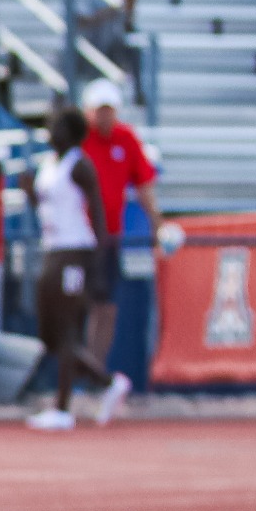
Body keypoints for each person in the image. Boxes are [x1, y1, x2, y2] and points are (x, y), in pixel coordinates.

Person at [23, 107, 125, 431]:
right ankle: (107, 382)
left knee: (67, 328)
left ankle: (62, 407)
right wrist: (29, 194)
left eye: (55, 126)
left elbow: (96, 212)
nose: (49, 131)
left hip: (75, 250)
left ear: (71, 132)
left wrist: (96, 263)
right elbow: (49, 206)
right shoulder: (48, 165)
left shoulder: (79, 164)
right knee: (48, 332)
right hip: (53, 248)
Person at [77, 79, 165, 370]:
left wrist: (158, 224)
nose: (104, 116)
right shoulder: (79, 139)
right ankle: (76, 375)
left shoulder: (125, 138)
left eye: (109, 109)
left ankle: (96, 370)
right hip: (76, 238)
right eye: (99, 110)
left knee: (106, 307)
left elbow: (144, 185)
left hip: (108, 238)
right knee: (79, 306)